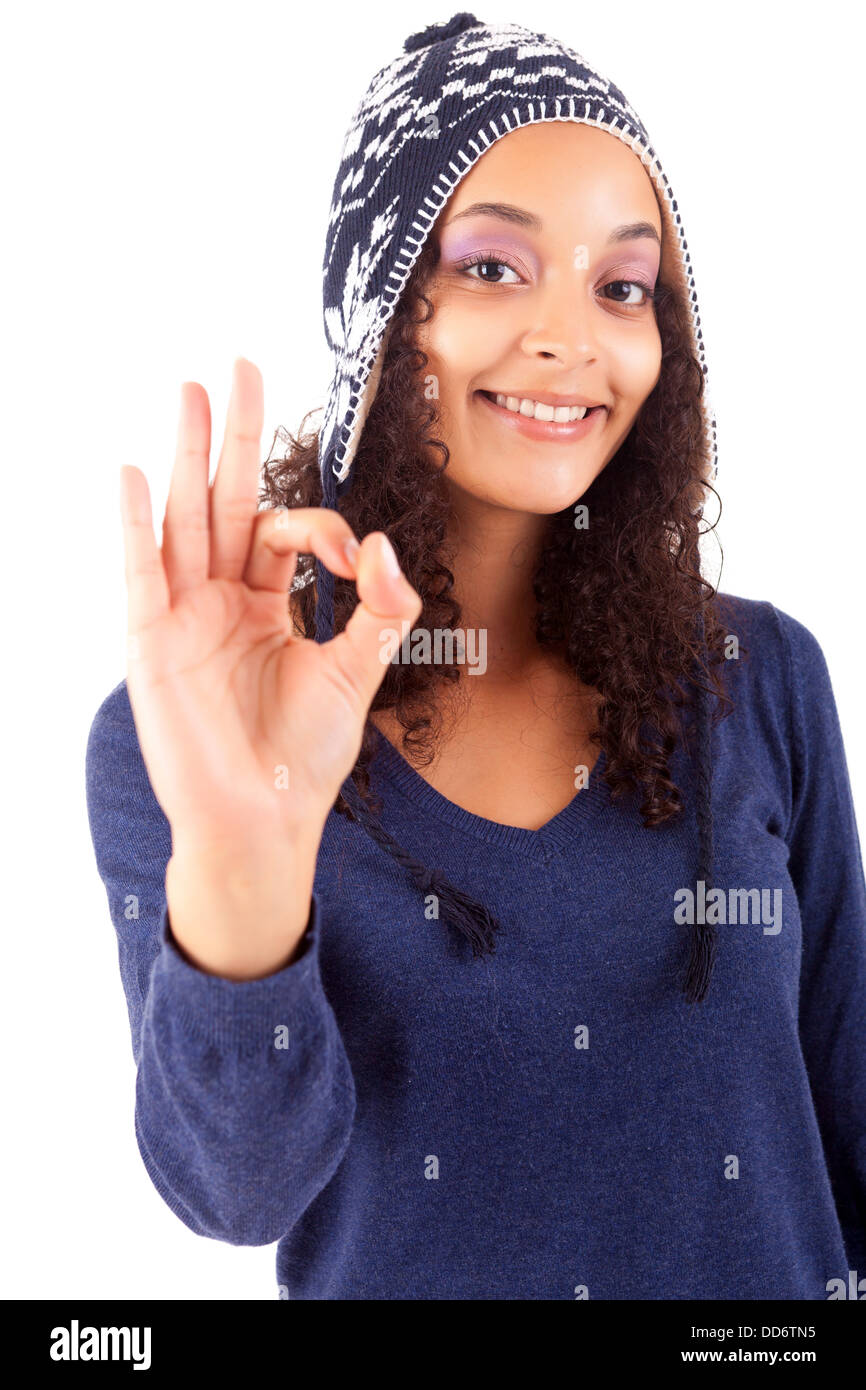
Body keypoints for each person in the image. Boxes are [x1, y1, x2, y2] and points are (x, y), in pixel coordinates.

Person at [85, 13, 866, 1300]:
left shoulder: (758, 677)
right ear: (381, 308)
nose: (570, 335)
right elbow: (236, 1192)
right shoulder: (190, 730)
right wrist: (244, 856)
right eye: (496, 267)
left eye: (622, 287)